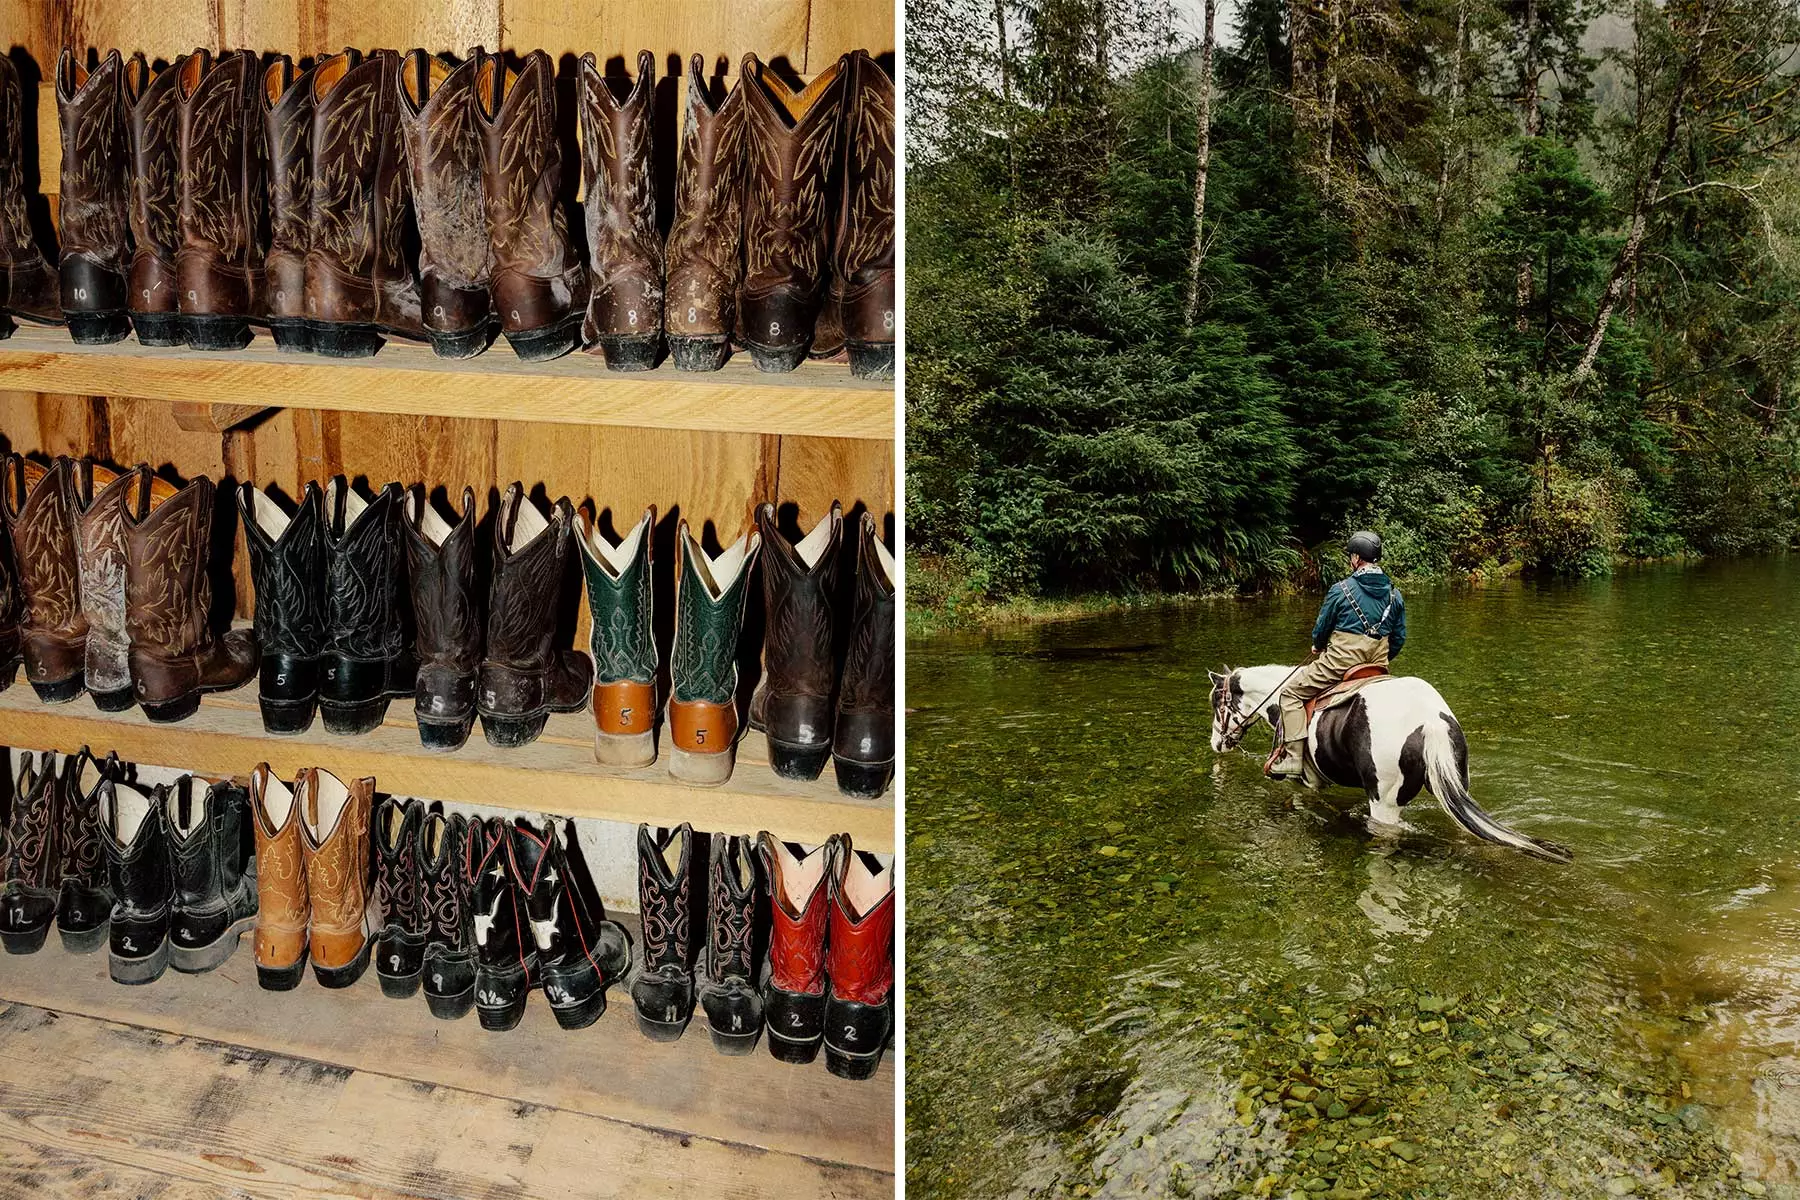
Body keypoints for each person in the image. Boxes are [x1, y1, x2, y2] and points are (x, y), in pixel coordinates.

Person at [1266, 531, 1407, 779]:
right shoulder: (1395, 595)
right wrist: (1379, 660)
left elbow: (1322, 628)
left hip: (1339, 664)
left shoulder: (1341, 589)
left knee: (1289, 693)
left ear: (1355, 558)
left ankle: (1294, 759)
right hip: (1377, 665)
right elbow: (1398, 639)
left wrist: (1317, 646)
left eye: (1350, 556)